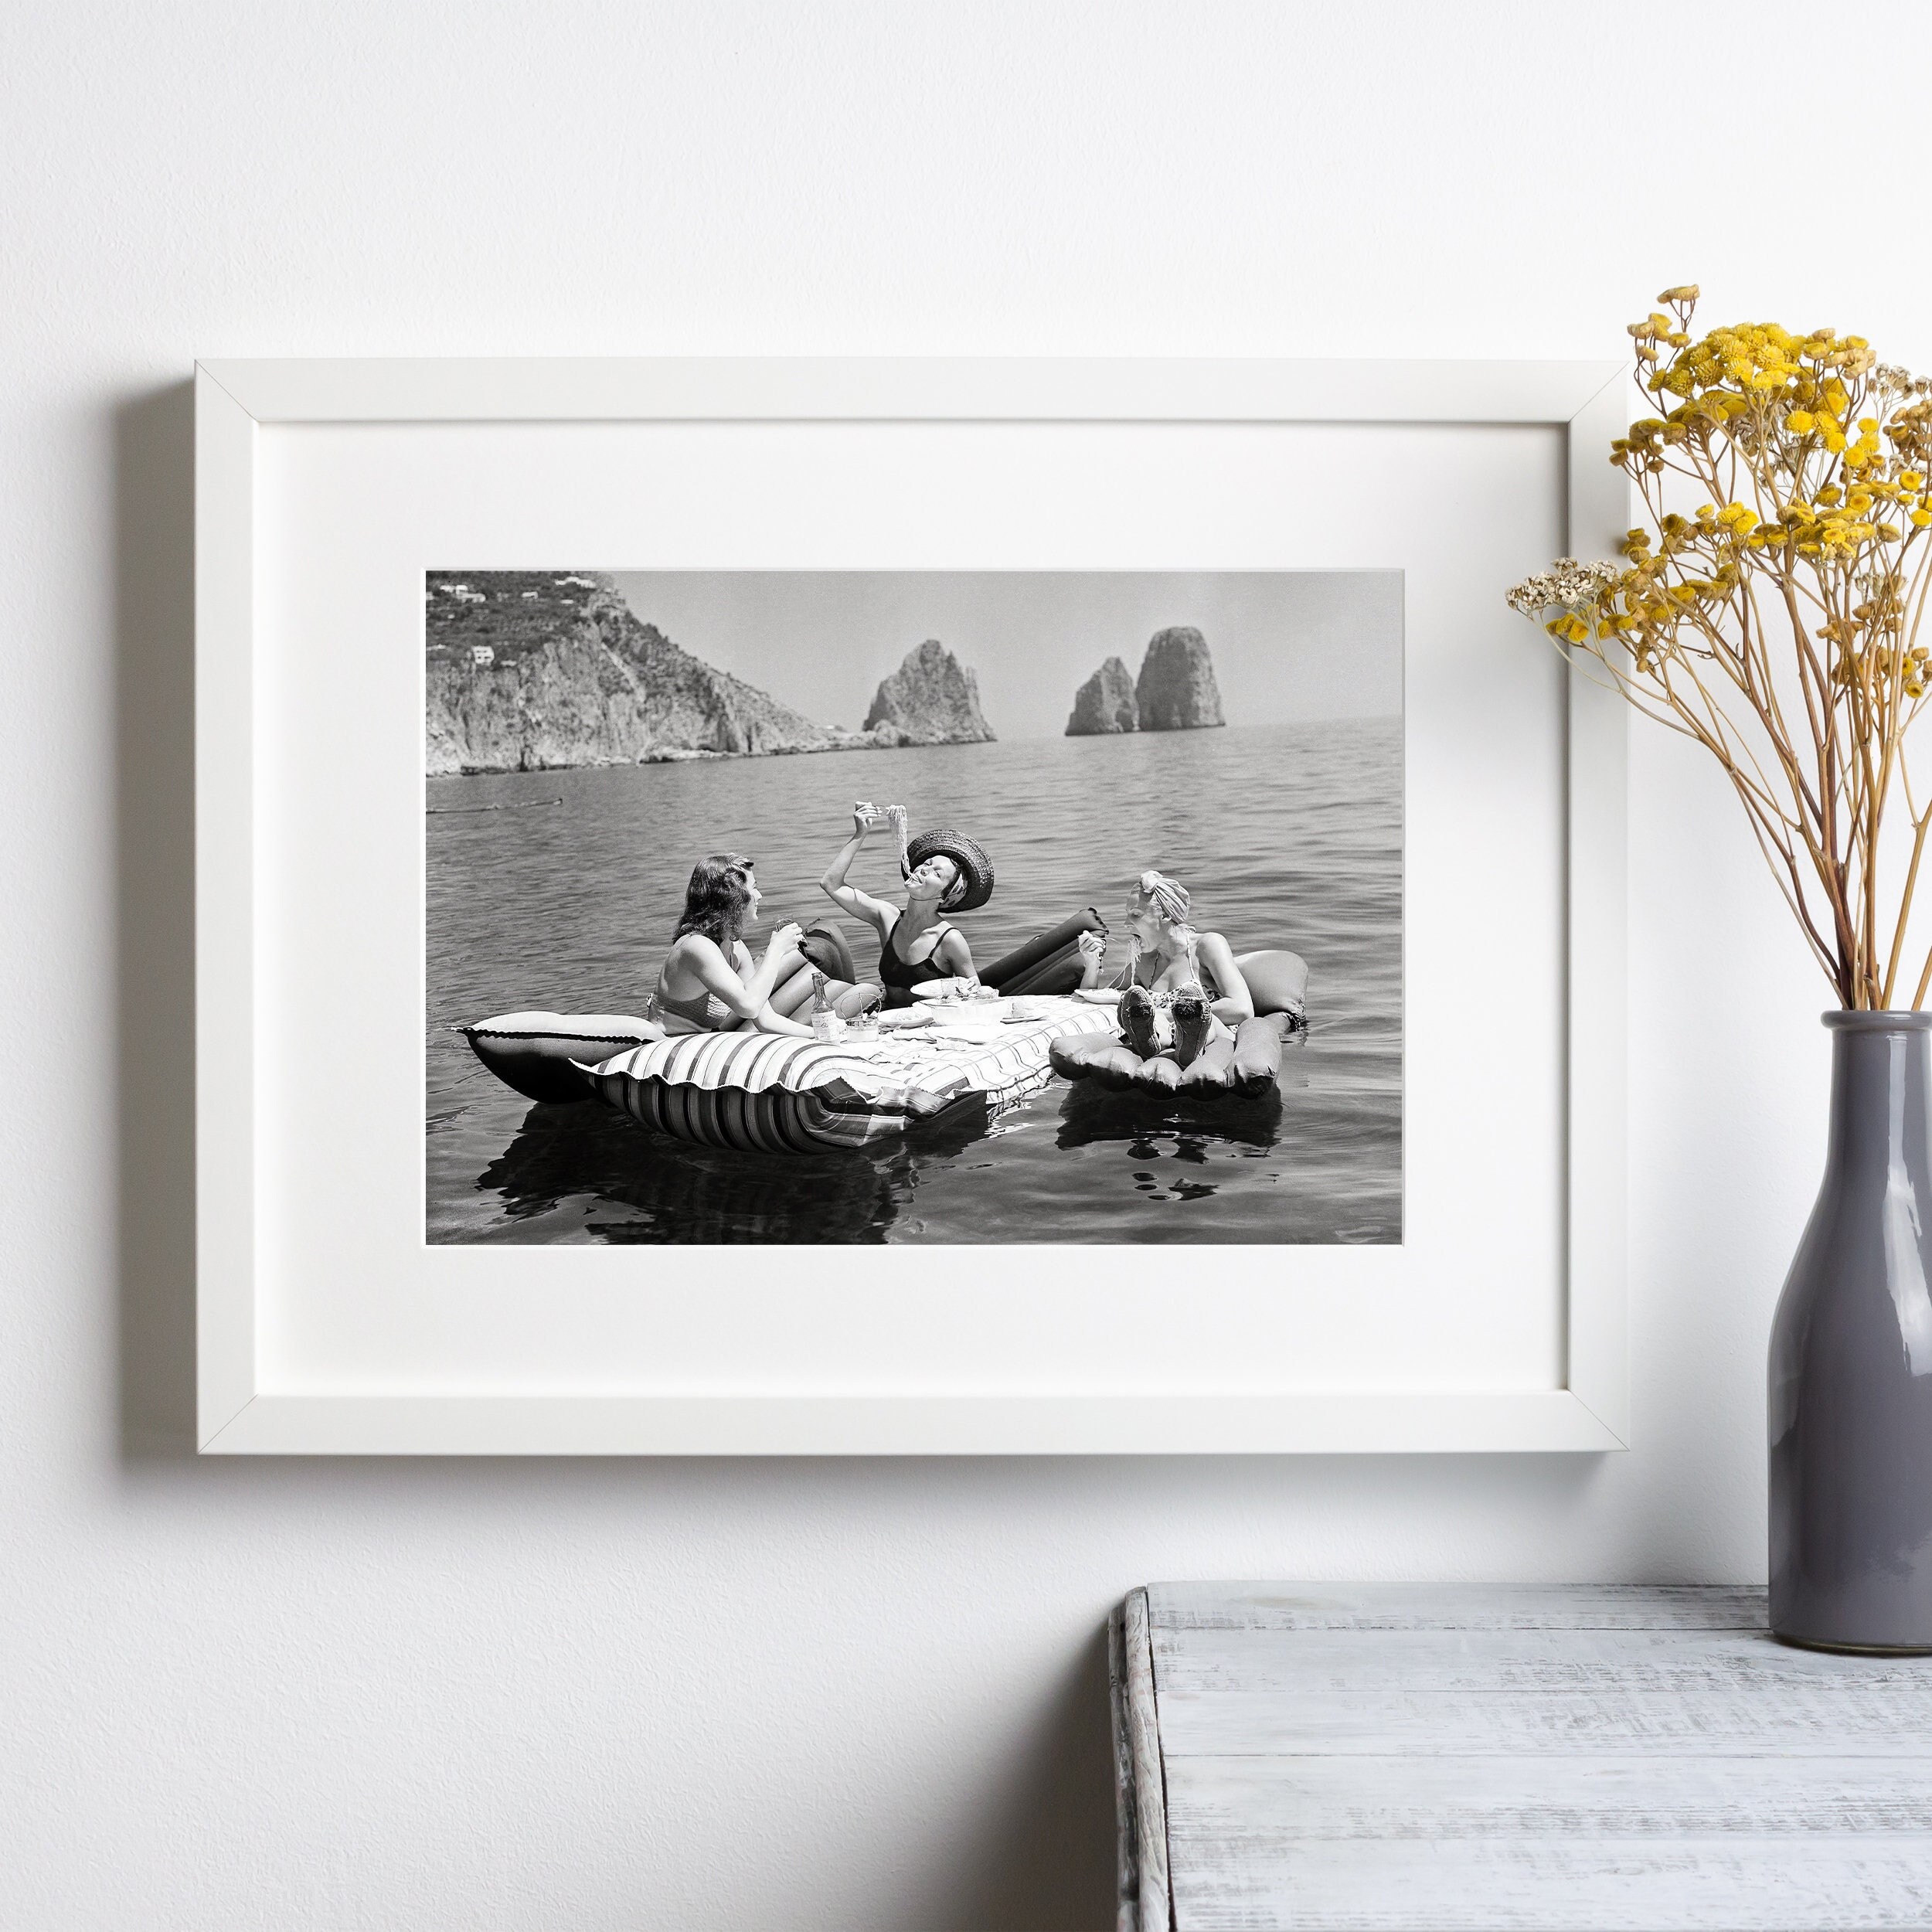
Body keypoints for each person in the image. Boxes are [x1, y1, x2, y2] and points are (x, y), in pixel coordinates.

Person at [818, 806, 995, 1008]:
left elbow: (977, 997)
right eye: (927, 863)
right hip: (887, 1022)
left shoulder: (949, 940)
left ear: (945, 897)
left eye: (937, 874)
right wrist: (860, 834)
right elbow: (831, 884)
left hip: (930, 1028)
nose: (924, 870)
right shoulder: (887, 917)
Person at [649, 853, 814, 1036]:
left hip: (704, 1039)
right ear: (733, 897)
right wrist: (775, 951)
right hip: (669, 1045)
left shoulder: (736, 948)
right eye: (754, 888)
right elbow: (749, 1006)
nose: (759, 895)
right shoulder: (696, 945)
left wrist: (821, 1034)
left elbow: (765, 1019)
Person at [1112, 869, 1254, 1066]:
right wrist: (1093, 962)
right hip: (1167, 1037)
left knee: (1199, 1017)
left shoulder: (1206, 946)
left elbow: (1243, 1009)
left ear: (1165, 916)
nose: (1126, 924)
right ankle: (1151, 1042)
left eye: (1136, 915)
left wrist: (1171, 1014)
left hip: (1213, 1034)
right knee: (1153, 1022)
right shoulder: (1144, 960)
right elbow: (1105, 994)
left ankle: (1186, 1035)